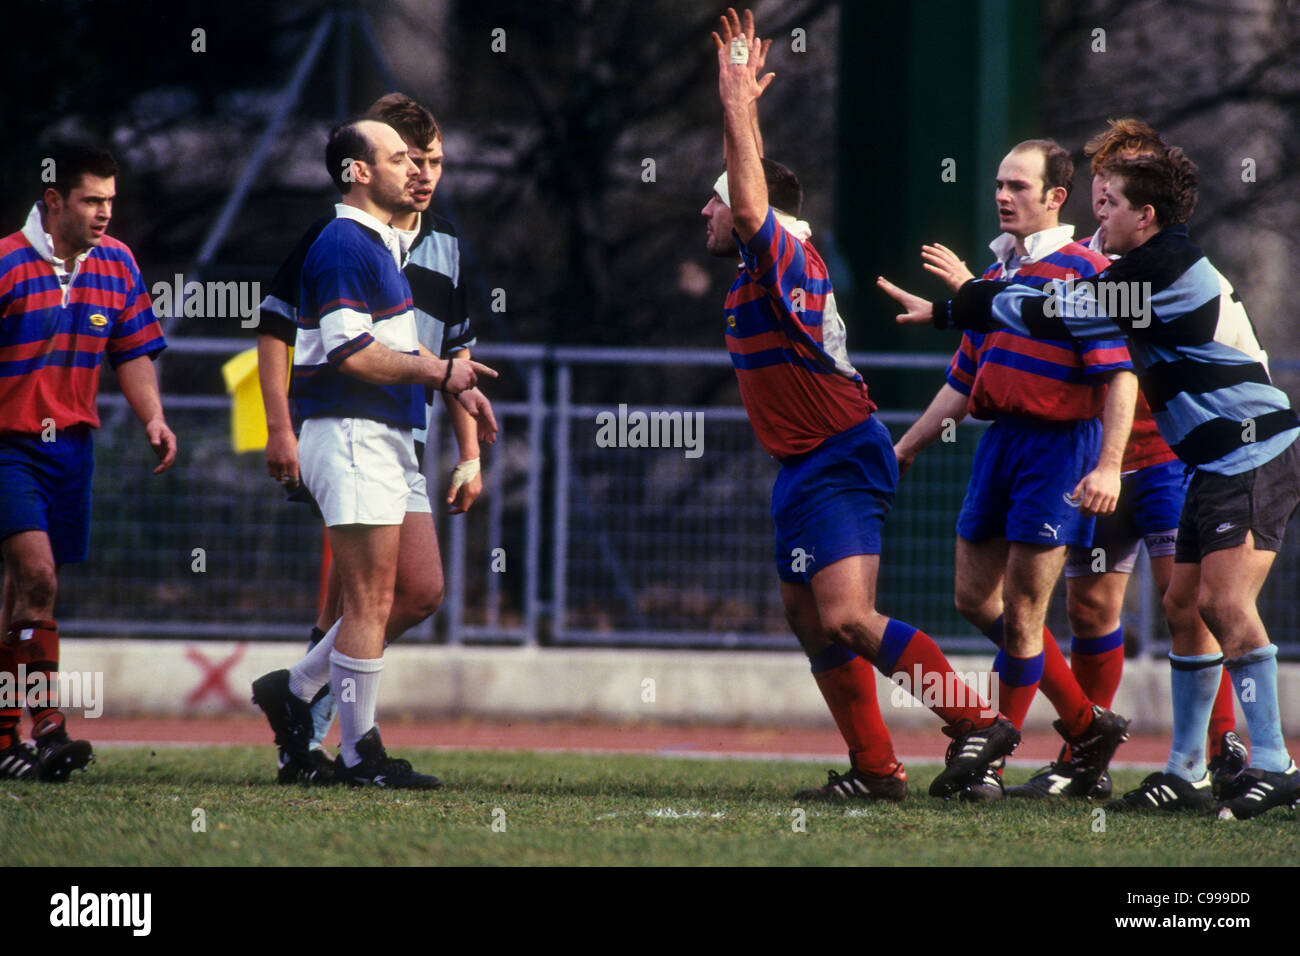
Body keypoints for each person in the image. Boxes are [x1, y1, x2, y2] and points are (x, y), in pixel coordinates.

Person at [879, 146, 1300, 819]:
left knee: (1222, 606)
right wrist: (955, 311)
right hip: (1212, 460)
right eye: (1095, 198)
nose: (1097, 214)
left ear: (1148, 214)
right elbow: (1046, 310)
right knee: (1185, 606)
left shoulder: (1157, 270)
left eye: (1110, 203)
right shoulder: (1137, 267)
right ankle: (1185, 769)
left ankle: (1273, 760)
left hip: (1251, 451)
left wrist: (966, 295)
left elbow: (1055, 310)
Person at [707, 8, 1017, 803]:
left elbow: (747, 207)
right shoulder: (754, 272)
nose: (704, 214)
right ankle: (877, 770)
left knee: (846, 615)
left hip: (838, 451)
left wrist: (739, 105)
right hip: (807, 464)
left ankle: (976, 722)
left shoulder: (779, 249)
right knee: (810, 617)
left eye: (711, 201)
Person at [254, 93, 496, 784]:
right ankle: (355, 752)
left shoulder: (397, 241)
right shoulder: (339, 240)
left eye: (426, 160)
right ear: (360, 172)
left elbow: (431, 350)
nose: (417, 171)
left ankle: (297, 691)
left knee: (400, 595)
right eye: (401, 158)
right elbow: (348, 351)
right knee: (363, 603)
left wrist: (457, 388)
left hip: (392, 435)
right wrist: (439, 369)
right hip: (353, 433)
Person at [894, 139, 1136, 801]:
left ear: (1056, 197)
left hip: (1058, 447)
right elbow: (962, 379)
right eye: (1000, 184)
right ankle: (1086, 725)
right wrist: (906, 447)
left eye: (1018, 186)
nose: (1003, 195)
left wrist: (1109, 466)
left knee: (1028, 613)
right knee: (975, 601)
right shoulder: (996, 276)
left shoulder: (1085, 271)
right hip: (1000, 443)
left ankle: (991, 760)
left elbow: (1119, 378)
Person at [1026, 119, 1243, 799]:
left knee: (1194, 606)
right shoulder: (1084, 255)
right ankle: (1084, 759)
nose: (1099, 191)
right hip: (1100, 464)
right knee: (1089, 609)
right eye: (1097, 175)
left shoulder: (1159, 261)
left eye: (1114, 177)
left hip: (1166, 461)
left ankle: (1222, 748)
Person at [0, 143, 177, 780]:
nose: (105, 212)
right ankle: (47, 724)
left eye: (111, 199)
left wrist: (152, 415)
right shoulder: (6, 264)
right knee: (38, 577)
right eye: (91, 200)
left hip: (72, 448)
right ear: (54, 200)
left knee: (26, 591)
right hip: (9, 445)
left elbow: (131, 351)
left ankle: (4, 740)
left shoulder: (117, 263)